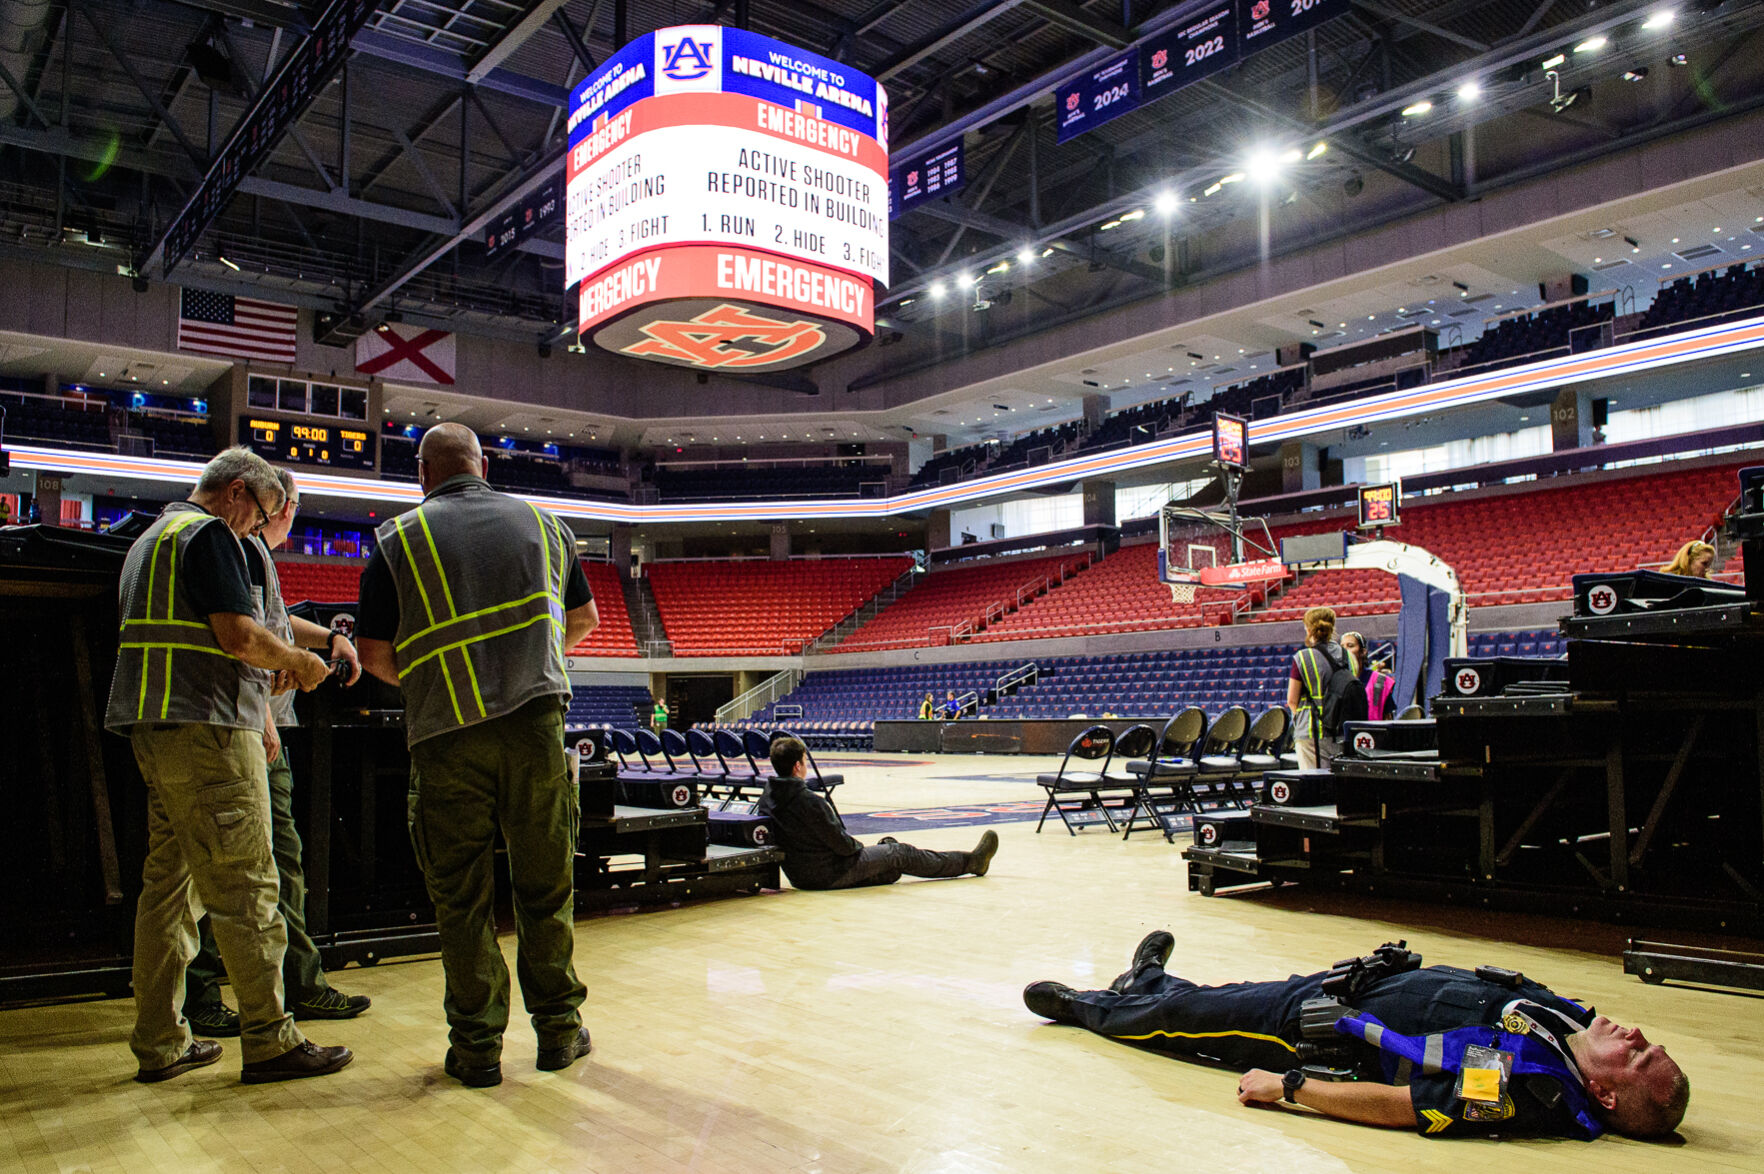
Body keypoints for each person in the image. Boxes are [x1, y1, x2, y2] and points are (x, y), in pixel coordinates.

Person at [356, 423, 599, 1089]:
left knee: (460, 897)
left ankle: (476, 1049)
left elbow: (375, 654)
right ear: (483, 465)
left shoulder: (398, 539)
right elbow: (583, 620)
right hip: (536, 729)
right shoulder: (547, 527)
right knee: (546, 886)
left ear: (422, 474)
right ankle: (556, 1032)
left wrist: (442, 681)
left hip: (444, 735)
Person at [104, 446, 353, 1084]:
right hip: (210, 731)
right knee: (248, 888)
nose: (256, 530)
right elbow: (238, 635)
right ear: (237, 492)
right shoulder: (211, 534)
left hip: (152, 729)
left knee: (169, 892)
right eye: (262, 512)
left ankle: (160, 1040)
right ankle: (271, 1038)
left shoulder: (149, 541)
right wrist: (297, 663)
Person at [1024, 934, 1689, 1141]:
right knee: (1213, 1003)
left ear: (1602, 1095)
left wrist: (1289, 1088)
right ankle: (1149, 979)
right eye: (1646, 1040)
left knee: (1186, 1023)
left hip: (1313, 1034)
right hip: (1345, 987)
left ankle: (1091, 1005)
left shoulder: (1521, 1082)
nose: (1631, 1033)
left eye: (1635, 1055)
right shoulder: (1570, 1025)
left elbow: (1412, 1108)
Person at [181, 469, 372, 1036]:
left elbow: (273, 625)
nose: (285, 520)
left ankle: (276, 984)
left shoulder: (247, 550)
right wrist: (265, 715)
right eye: (286, 509)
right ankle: (247, 992)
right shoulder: (238, 545)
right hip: (242, 727)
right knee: (255, 867)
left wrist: (328, 639)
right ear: (274, 506)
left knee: (252, 865)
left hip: (242, 724)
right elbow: (243, 642)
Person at [759, 736, 999, 889]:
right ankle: (971, 862)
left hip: (800, 876)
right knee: (899, 852)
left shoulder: (767, 798)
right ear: (798, 766)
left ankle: (887, 864)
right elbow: (844, 846)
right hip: (828, 872)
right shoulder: (809, 801)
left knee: (889, 863)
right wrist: (860, 849)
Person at [1287, 607, 1352, 769]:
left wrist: (1299, 720)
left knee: (1313, 787)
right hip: (1341, 730)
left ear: (1309, 629)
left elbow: (1292, 700)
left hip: (1311, 731)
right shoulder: (1347, 655)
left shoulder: (1303, 657)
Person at [1341, 631, 1397, 722]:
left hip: (1374, 733)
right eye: (1342, 647)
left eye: (1350, 646)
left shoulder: (1380, 681)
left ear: (1363, 652)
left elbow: (1388, 718)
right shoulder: (1338, 681)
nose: (1345, 650)